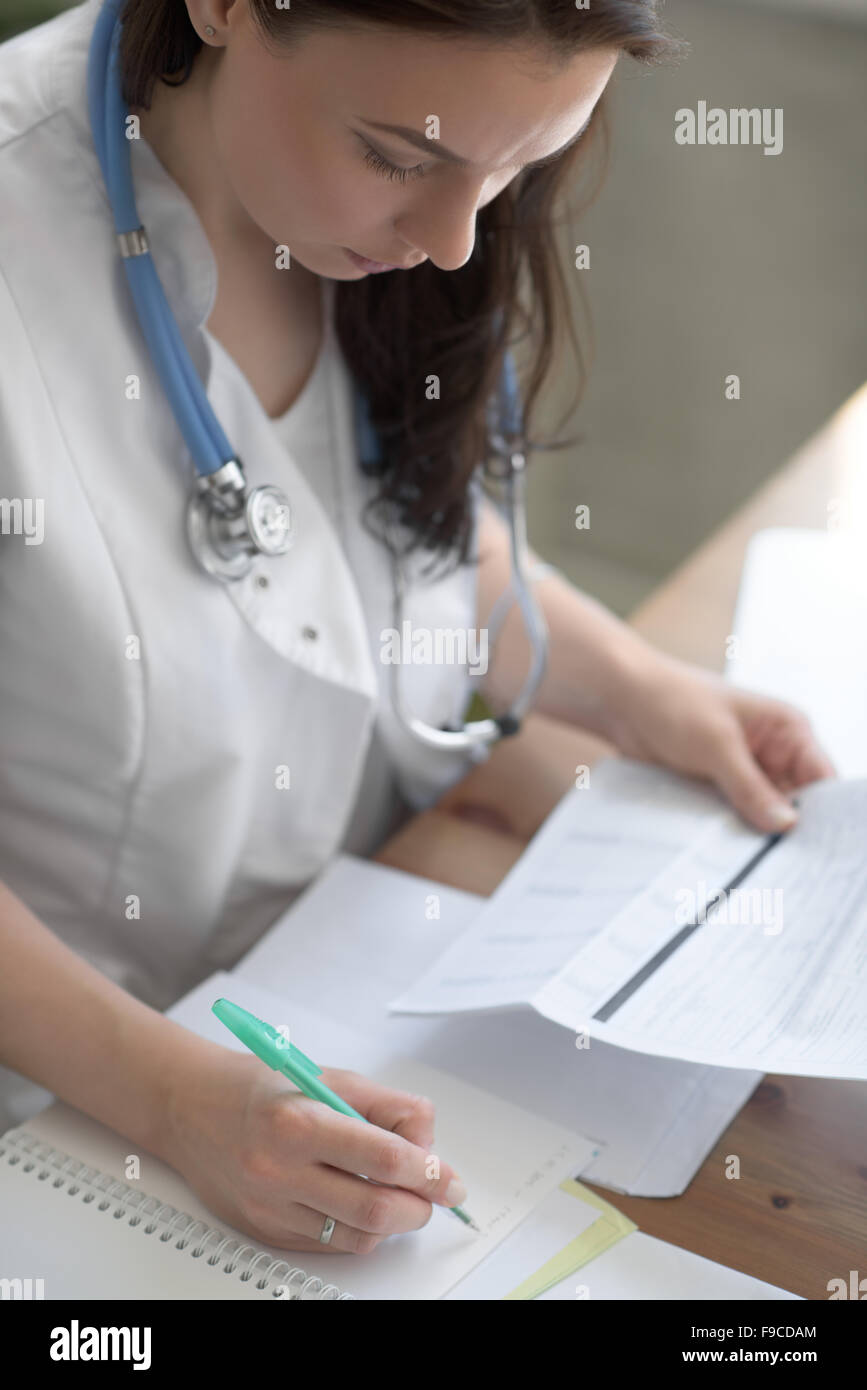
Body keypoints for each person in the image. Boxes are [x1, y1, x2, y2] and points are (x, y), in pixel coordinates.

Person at [0, 0, 833, 1258]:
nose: (457, 242)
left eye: (519, 168)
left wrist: (643, 688)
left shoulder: (392, 221)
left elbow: (388, 525)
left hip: (337, 953)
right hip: (64, 1093)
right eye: (399, 157)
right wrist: (170, 1100)